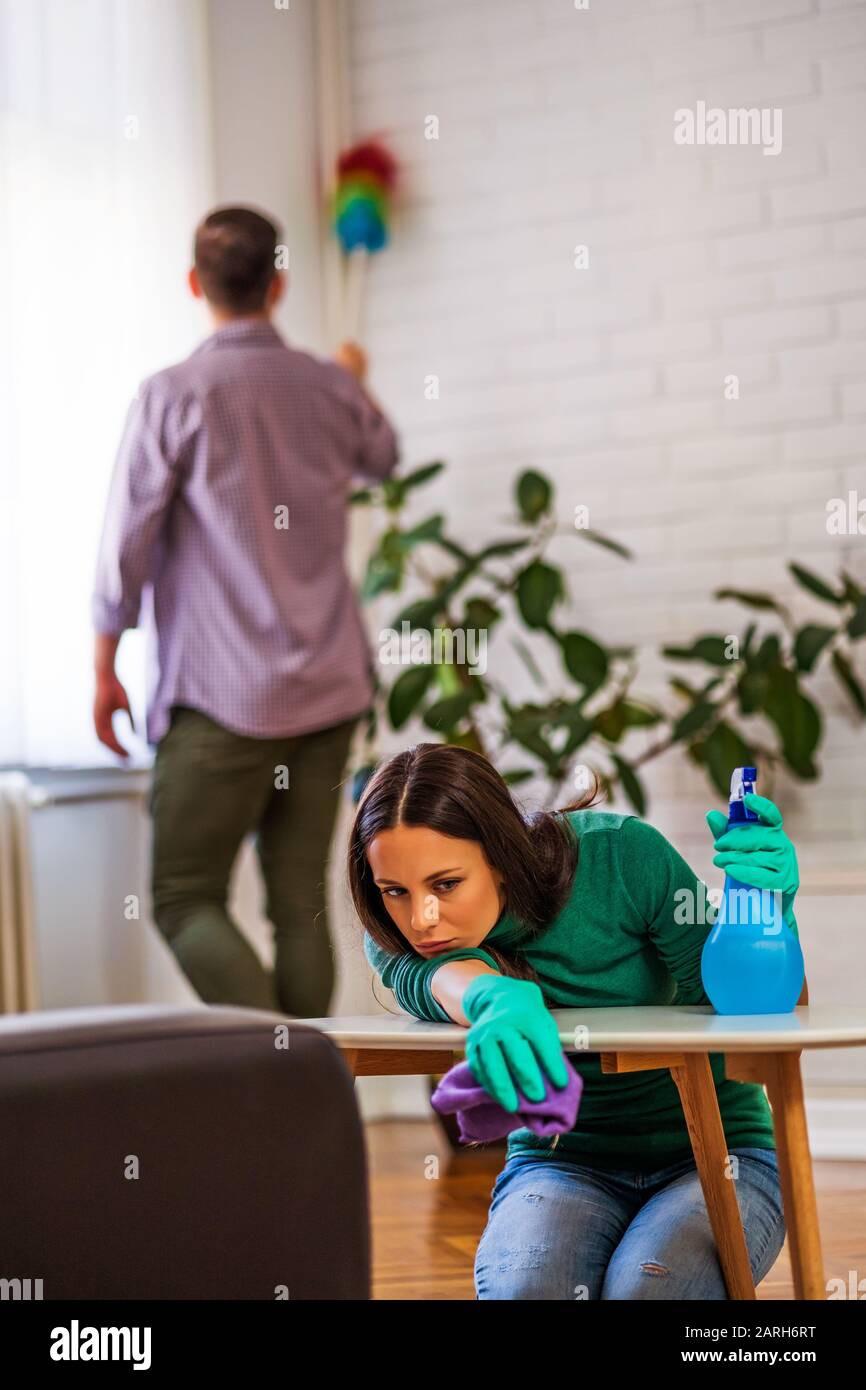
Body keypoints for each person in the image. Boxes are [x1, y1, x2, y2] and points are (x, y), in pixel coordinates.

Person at [92, 204, 399, 1015]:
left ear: (197, 284)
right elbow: (384, 456)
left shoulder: (173, 394)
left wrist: (104, 664)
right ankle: (303, 1098)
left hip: (220, 700)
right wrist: (353, 379)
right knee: (299, 910)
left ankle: (280, 1077)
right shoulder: (329, 388)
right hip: (328, 691)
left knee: (184, 897)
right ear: (279, 283)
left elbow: (126, 541)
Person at [353, 743, 799, 1300]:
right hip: (561, 1162)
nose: (421, 919)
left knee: (647, 1289)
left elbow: (745, 1005)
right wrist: (495, 997)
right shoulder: (395, 934)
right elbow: (447, 979)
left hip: (719, 1152)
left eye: (446, 884)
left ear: (501, 854)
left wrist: (767, 915)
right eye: (395, 890)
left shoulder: (621, 857)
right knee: (529, 1291)